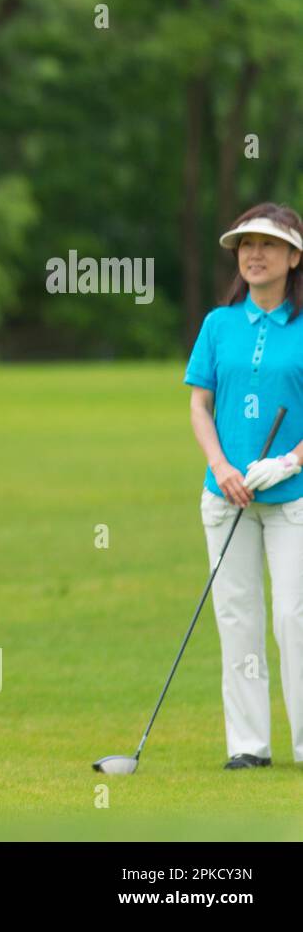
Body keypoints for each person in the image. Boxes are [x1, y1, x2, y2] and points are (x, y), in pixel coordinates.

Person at [186, 202, 303, 770]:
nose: (255, 255)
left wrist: (290, 461)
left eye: (269, 245)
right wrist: (223, 466)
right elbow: (199, 406)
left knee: (294, 616)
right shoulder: (218, 324)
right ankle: (249, 746)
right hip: (225, 496)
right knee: (237, 618)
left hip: (292, 500)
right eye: (246, 245)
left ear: (293, 257)